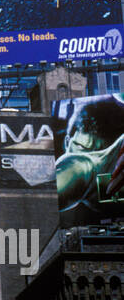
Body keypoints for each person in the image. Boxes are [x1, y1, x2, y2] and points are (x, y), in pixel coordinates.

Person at [55, 95, 124, 225]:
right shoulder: (79, 167)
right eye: (82, 147)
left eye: (98, 151)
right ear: (67, 143)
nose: (87, 157)